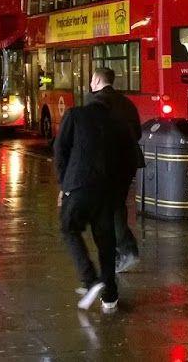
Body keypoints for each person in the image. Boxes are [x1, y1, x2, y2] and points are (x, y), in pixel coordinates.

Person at [54, 75, 136, 313]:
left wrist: (64, 184)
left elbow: (60, 150)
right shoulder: (118, 122)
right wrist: (118, 192)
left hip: (78, 187)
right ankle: (110, 297)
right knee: (106, 243)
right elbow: (128, 159)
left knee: (69, 229)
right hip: (107, 191)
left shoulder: (75, 115)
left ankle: (90, 280)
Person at [89, 67, 144, 272]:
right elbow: (137, 132)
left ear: (96, 80)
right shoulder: (127, 102)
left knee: (108, 208)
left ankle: (126, 249)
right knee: (117, 204)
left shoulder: (94, 102)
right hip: (128, 161)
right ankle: (120, 252)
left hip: (105, 163)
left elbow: (91, 136)